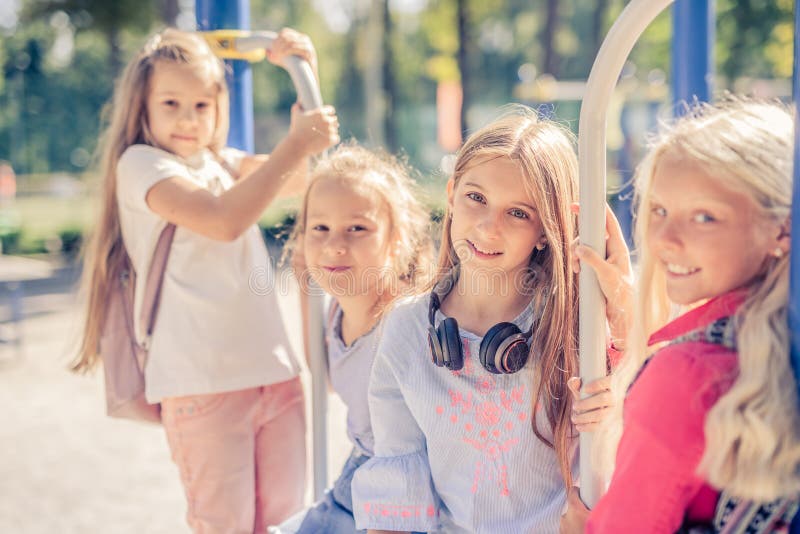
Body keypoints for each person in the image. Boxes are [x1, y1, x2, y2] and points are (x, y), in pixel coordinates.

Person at [73, 28, 339, 533]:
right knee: (225, 524)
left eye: (202, 104)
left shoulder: (222, 162)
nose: (188, 118)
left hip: (272, 372)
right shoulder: (142, 165)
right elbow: (222, 220)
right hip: (203, 383)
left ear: (219, 106)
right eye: (171, 102)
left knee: (287, 521)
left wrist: (305, 82)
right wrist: (293, 145)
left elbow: (307, 175)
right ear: (143, 107)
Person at [350, 108, 628, 534]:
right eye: (476, 198)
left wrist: (622, 307)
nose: (487, 227)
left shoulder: (579, 328)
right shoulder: (406, 329)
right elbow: (396, 490)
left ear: (545, 230)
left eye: (518, 213)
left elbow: (653, 420)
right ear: (451, 194)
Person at [563, 98, 800, 533]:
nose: (665, 239)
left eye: (705, 217)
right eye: (660, 210)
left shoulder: (683, 377)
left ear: (782, 228)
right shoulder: (784, 338)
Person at [270, 143, 435, 534]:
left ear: (396, 240)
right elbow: (326, 374)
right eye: (320, 229)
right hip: (359, 467)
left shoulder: (406, 322)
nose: (334, 245)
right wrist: (305, 289)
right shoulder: (336, 309)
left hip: (409, 486)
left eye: (357, 228)